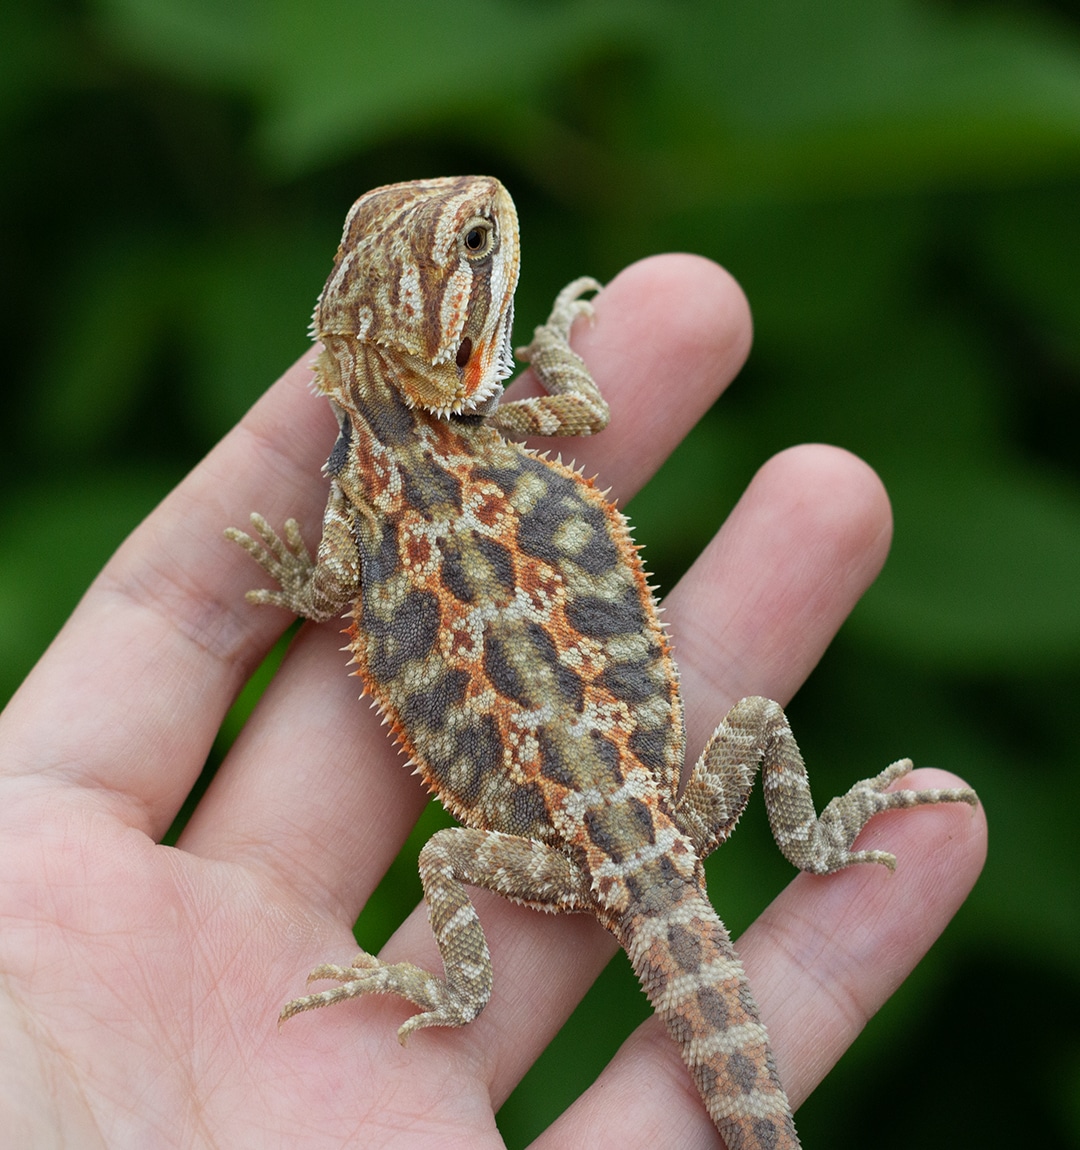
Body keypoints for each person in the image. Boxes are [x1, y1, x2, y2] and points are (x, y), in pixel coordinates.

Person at [0, 254, 985, 1147]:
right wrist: (554, 349)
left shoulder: (362, 501)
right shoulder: (465, 443)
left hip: (593, 842)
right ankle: (814, 841)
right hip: (645, 818)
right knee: (755, 718)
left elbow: (327, 590)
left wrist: (292, 574)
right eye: (467, 262)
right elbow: (581, 406)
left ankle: (464, 989)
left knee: (446, 853)